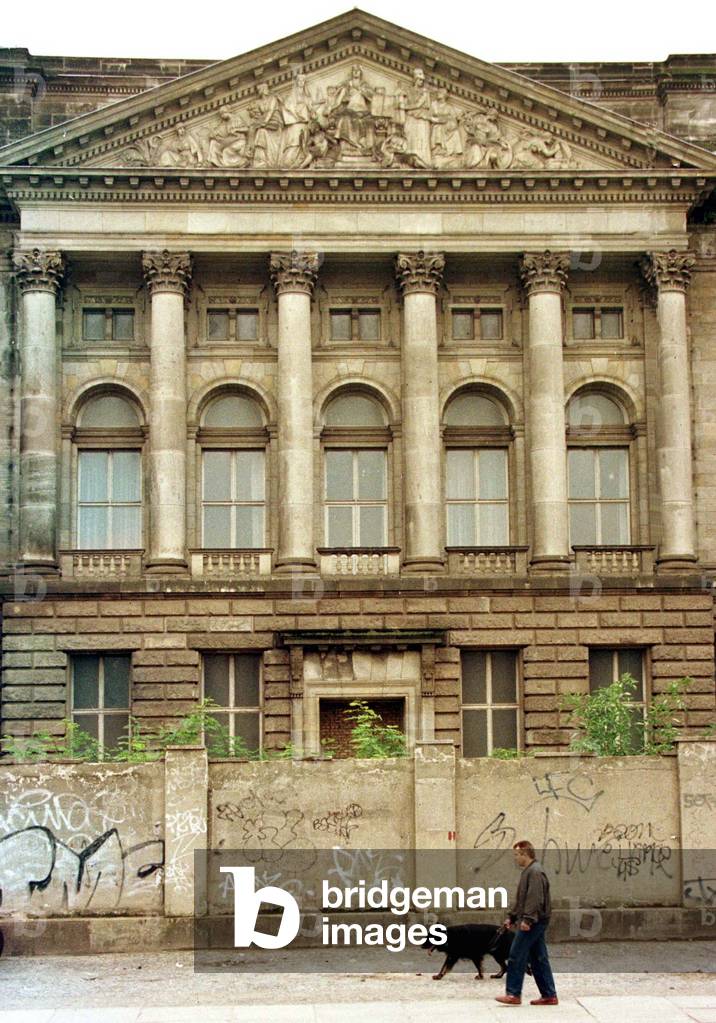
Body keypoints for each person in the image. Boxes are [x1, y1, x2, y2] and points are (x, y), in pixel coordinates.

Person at [495, 840, 559, 1007]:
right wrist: (512, 917)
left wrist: (528, 920)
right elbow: (522, 899)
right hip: (534, 920)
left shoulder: (535, 872)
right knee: (539, 958)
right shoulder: (529, 871)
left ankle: (513, 994)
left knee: (516, 955)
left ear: (524, 853)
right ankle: (549, 995)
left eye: (517, 855)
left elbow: (535, 899)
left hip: (534, 921)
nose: (515, 858)